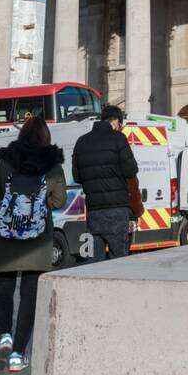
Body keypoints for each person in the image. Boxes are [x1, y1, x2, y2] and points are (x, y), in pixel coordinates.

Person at [0, 116, 67, 372]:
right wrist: (39, 206)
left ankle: (4, 336)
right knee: (30, 295)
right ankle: (19, 354)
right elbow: (60, 200)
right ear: (46, 137)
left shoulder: (5, 161)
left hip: (6, 234)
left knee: (4, 289)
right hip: (37, 238)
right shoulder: (53, 166)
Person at [71, 105, 138, 262]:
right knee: (118, 260)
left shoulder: (81, 142)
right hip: (117, 210)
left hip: (93, 212)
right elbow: (131, 170)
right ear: (115, 122)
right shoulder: (118, 139)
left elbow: (77, 176)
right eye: (120, 125)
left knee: (93, 261)